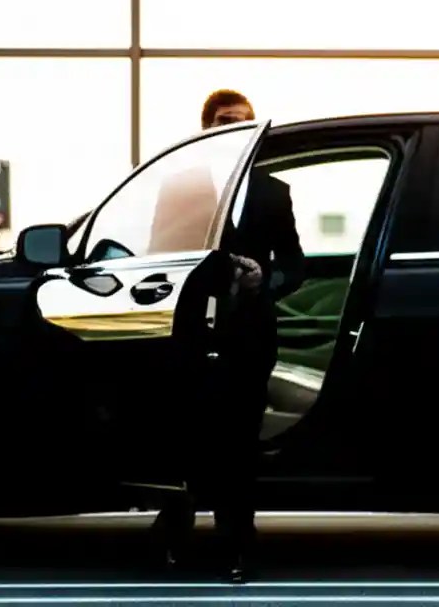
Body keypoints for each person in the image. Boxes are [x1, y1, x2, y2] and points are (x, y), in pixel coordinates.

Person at [149, 89, 306, 582]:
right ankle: (177, 535)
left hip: (250, 334)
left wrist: (266, 278)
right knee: (189, 434)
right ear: (207, 129)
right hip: (192, 334)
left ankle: (237, 541)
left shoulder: (273, 191)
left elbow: (296, 265)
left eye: (242, 122)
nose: (232, 128)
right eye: (223, 121)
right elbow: (158, 257)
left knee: (240, 438)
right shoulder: (181, 188)